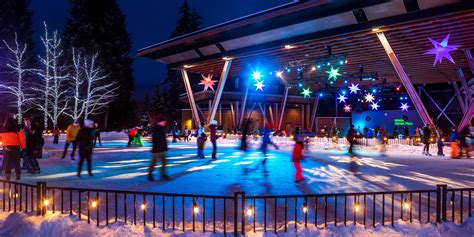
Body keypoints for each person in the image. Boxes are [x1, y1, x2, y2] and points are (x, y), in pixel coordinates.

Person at [148, 113, 169, 181]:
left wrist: (165, 147)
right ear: (160, 122)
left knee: (164, 162)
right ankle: (150, 174)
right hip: (156, 150)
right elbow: (156, 139)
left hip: (162, 149)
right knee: (153, 163)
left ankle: (163, 174)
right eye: (164, 122)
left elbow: (163, 140)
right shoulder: (157, 129)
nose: (165, 123)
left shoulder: (161, 129)